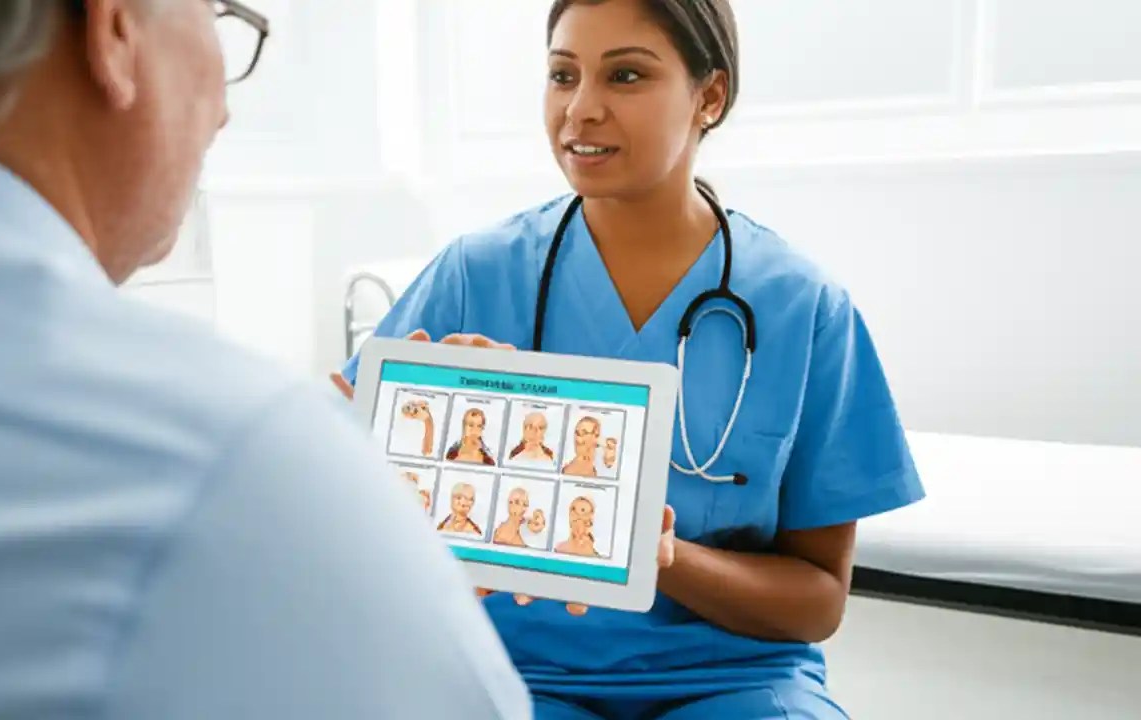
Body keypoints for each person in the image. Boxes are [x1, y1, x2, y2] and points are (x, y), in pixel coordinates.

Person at [0, 2, 529, 719]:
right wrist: (361, 531)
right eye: (217, 13)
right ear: (113, 28)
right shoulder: (234, 466)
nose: (224, 113)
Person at [334, 0, 925, 716]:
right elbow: (348, 498)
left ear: (710, 96)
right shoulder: (475, 275)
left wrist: (653, 554)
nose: (580, 110)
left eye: (625, 76)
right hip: (520, 675)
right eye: (563, 75)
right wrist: (413, 431)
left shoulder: (803, 305)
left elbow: (818, 601)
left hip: (733, 681)